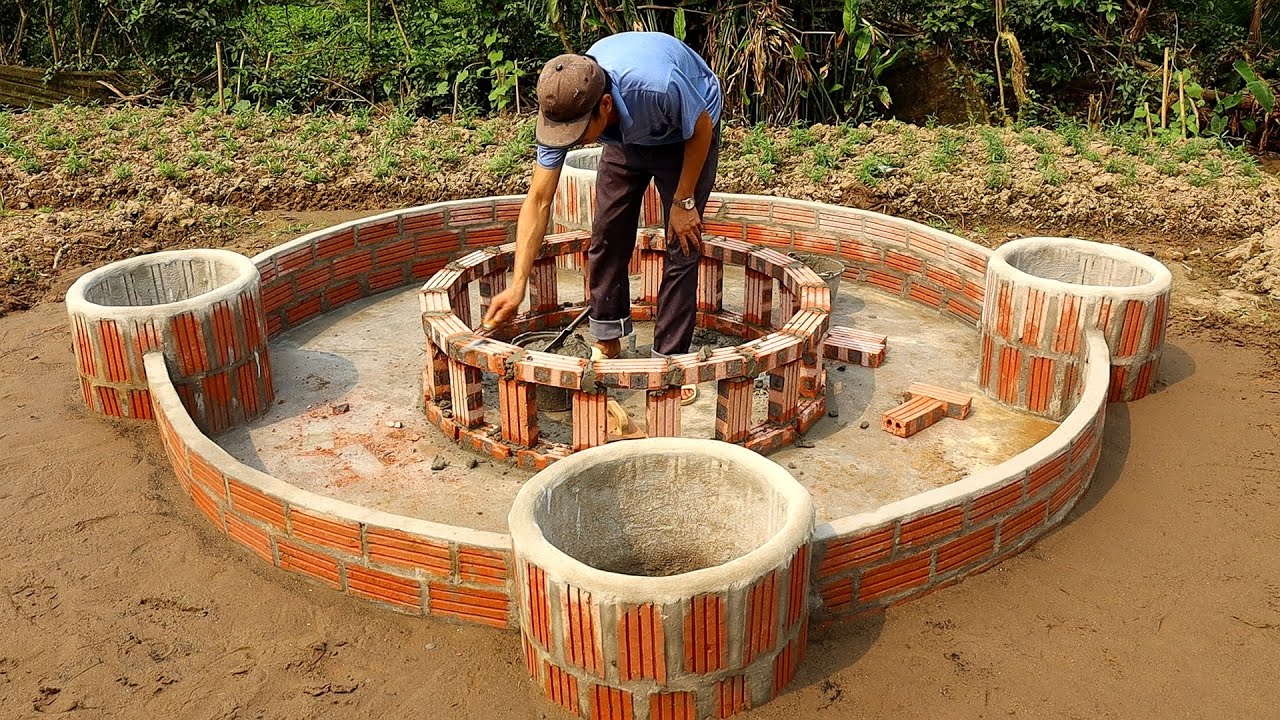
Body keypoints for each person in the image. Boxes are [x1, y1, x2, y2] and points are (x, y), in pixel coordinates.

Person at [480, 31, 723, 405]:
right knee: (607, 234)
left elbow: (701, 126)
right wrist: (518, 285)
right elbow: (539, 200)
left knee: (681, 244)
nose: (572, 142)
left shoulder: (657, 86)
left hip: (685, 130)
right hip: (626, 136)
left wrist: (684, 201)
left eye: (578, 134)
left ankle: (671, 363)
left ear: (605, 105)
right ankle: (608, 338)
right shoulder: (565, 100)